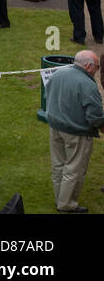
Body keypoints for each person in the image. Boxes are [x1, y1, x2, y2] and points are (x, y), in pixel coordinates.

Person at [45, 50, 104, 214]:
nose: (97, 71)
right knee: (74, 169)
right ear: (87, 66)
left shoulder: (59, 73)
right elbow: (95, 116)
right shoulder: (87, 84)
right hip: (77, 132)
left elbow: (48, 94)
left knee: (58, 165)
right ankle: (66, 205)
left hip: (55, 126)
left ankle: (60, 200)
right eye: (97, 67)